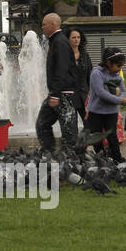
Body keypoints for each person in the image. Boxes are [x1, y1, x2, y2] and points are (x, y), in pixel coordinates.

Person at [35, 13, 79, 151]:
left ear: (54, 25)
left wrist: (55, 94)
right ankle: (50, 152)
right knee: (42, 124)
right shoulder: (57, 40)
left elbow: (62, 69)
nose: (42, 27)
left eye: (44, 24)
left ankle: (72, 160)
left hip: (63, 93)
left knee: (68, 130)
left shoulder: (60, 42)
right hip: (59, 92)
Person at [86, 46, 126, 159]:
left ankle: (116, 158)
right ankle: (102, 158)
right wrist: (119, 100)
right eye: (118, 66)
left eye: (121, 66)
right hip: (96, 111)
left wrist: (122, 97)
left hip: (111, 112)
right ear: (108, 62)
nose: (120, 69)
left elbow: (124, 90)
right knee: (96, 136)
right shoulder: (96, 73)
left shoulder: (117, 75)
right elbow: (101, 93)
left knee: (112, 136)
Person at [69, 28, 92, 128]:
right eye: (73, 37)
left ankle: (84, 143)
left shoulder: (85, 55)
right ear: (68, 39)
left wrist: (91, 92)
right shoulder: (64, 55)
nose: (76, 39)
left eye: (78, 37)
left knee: (89, 123)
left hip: (84, 95)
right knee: (71, 125)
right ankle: (74, 143)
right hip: (70, 96)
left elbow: (91, 75)